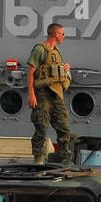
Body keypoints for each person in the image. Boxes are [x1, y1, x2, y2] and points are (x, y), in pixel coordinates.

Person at [28, 22, 78, 162]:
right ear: (56, 34)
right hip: (42, 94)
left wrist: (65, 68)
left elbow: (53, 70)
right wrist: (32, 95)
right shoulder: (40, 50)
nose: (63, 37)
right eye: (62, 34)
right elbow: (31, 73)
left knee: (64, 127)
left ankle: (64, 158)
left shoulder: (56, 52)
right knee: (41, 126)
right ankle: (38, 159)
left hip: (56, 94)